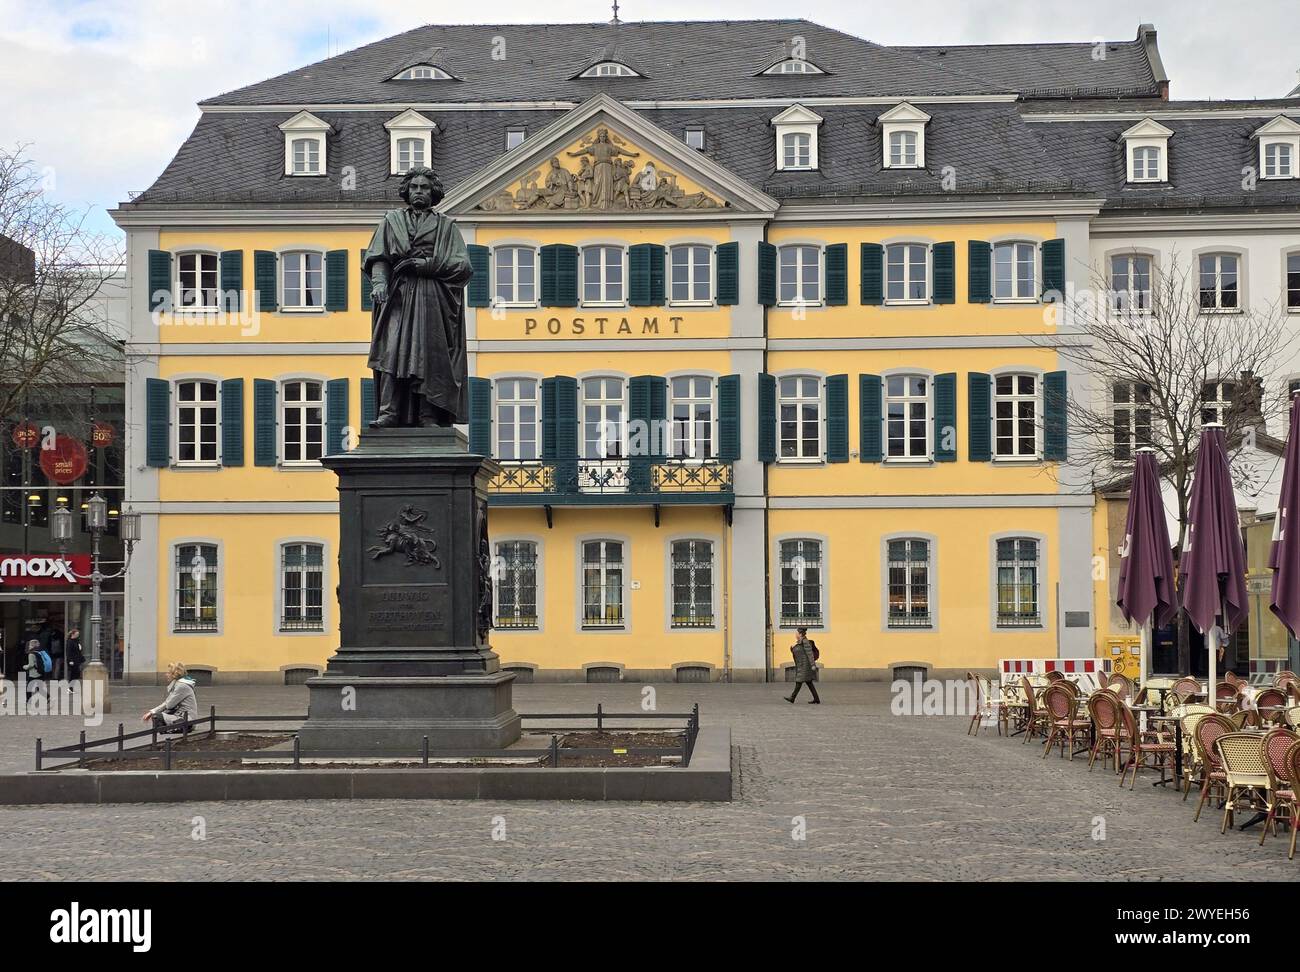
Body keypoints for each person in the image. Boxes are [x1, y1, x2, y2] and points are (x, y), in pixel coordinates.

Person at [363, 166, 473, 429]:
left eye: (424, 187)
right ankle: (388, 412)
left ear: (433, 192)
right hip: (397, 297)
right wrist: (379, 283)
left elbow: (463, 266)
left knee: (430, 355)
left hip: (432, 298)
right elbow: (379, 257)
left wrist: (425, 265)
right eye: (414, 187)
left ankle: (428, 415)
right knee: (391, 352)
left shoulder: (446, 227)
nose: (419, 192)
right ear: (407, 191)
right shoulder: (391, 221)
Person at [141, 662, 198, 734]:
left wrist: (152, 712)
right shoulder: (179, 684)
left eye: (168, 673)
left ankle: (170, 730)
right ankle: (168, 729)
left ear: (174, 674)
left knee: (157, 717)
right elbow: (168, 704)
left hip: (186, 719)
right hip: (183, 716)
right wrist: (152, 711)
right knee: (160, 715)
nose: (166, 675)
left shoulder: (181, 686)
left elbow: (169, 705)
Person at [784, 626, 821, 704]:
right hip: (802, 666)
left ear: (800, 634)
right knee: (809, 683)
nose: (795, 634)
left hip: (805, 666)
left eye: (796, 633)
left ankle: (792, 698)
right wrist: (792, 647)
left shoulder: (805, 642)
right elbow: (797, 651)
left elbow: (810, 653)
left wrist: (813, 665)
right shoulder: (800, 642)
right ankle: (816, 699)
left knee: (799, 682)